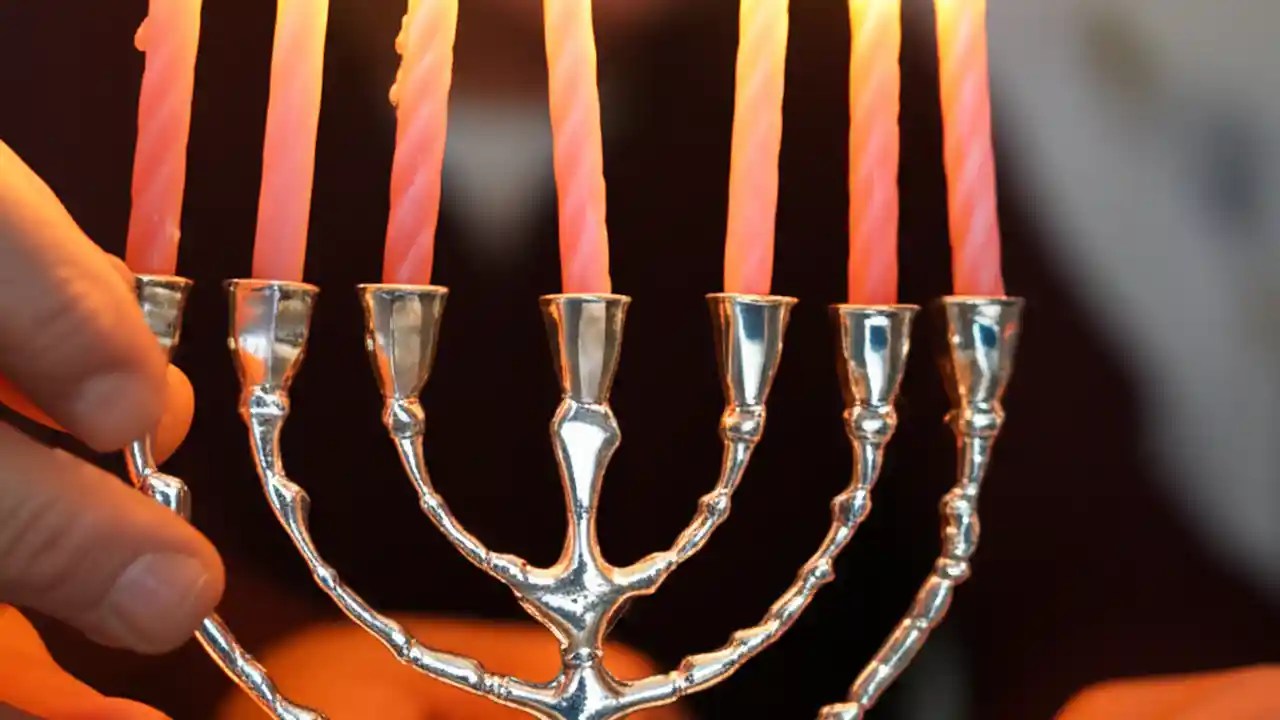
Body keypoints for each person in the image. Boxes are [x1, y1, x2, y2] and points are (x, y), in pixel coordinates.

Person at [0, 1, 1275, 718]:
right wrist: (257, 672)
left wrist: (1138, 691)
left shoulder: (874, 105)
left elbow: (1084, 563)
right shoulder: (75, 87)